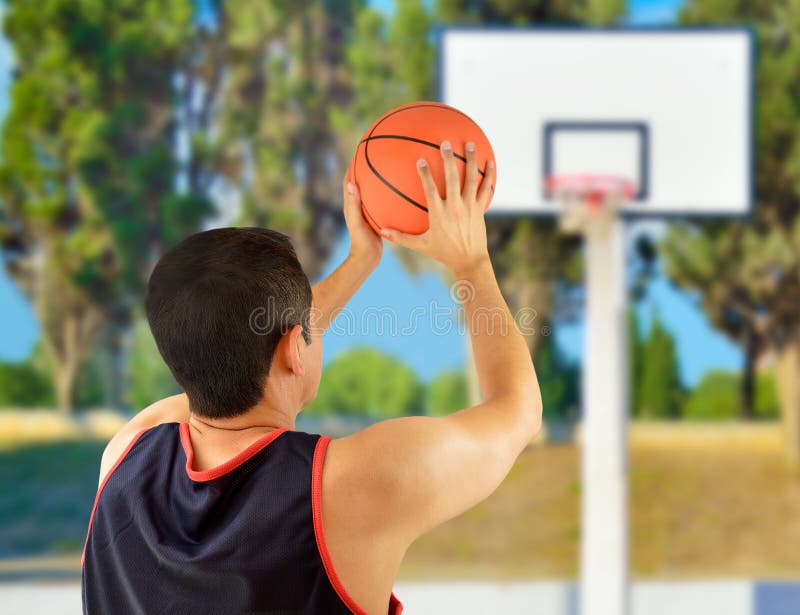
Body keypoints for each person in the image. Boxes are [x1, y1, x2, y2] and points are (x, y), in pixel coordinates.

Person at [81, 140, 542, 615]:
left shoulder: (125, 455)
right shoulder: (349, 489)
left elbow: (230, 340)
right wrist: (472, 262)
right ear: (291, 349)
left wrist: (359, 262)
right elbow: (518, 412)